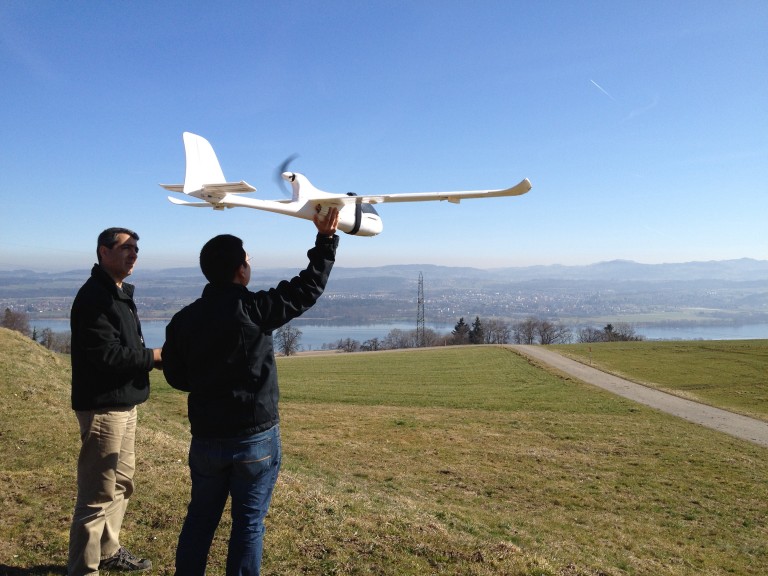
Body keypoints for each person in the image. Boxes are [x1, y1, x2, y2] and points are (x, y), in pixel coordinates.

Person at [162, 207, 340, 576]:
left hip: (207, 438)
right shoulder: (256, 309)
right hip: (254, 438)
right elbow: (307, 288)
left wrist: (207, 382)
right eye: (248, 260)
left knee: (200, 520)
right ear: (241, 269)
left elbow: (176, 377)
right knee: (248, 525)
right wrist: (325, 240)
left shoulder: (183, 319)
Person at [68, 227, 162, 575]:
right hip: (103, 407)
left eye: (136, 249)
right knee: (96, 494)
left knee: (122, 483)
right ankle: (83, 569)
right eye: (126, 248)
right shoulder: (96, 297)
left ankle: (108, 551)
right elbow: (106, 356)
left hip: (124, 403)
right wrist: (152, 357)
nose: (133, 254)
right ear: (103, 252)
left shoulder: (117, 293)